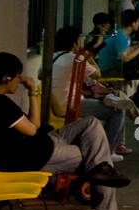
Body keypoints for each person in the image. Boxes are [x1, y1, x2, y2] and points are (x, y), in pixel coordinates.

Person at [0, 52, 132, 210]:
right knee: (98, 158)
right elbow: (32, 130)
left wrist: (32, 93)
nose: (19, 80)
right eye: (17, 76)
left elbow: (33, 125)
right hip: (35, 156)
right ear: (6, 78)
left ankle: (102, 175)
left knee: (90, 124)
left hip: (43, 144)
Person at [50, 26, 127, 157]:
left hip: (58, 102)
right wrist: (88, 57)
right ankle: (106, 153)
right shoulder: (74, 59)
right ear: (74, 43)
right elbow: (97, 74)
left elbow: (41, 75)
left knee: (113, 102)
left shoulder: (52, 57)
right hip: (71, 104)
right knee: (117, 112)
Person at [97, 9, 139, 110]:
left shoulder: (121, 34)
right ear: (132, 23)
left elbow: (128, 52)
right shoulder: (121, 36)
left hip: (116, 66)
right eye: (138, 22)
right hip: (110, 70)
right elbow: (125, 58)